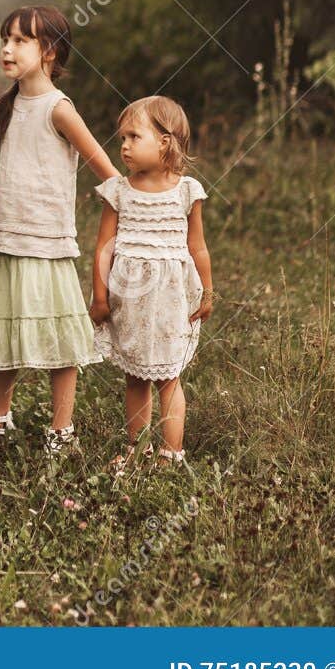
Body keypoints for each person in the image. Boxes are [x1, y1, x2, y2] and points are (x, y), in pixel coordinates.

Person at [0, 5, 116, 456]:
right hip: (6, 238)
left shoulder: (59, 108)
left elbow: (106, 172)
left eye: (20, 41)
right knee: (3, 333)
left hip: (46, 244)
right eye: (4, 40)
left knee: (59, 339)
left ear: (49, 51)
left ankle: (61, 432)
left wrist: (137, 218)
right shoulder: (8, 105)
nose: (7, 49)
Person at [88, 95, 214, 464]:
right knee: (136, 377)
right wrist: (99, 296)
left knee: (168, 377)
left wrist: (208, 292)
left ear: (164, 141)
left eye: (133, 137)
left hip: (171, 300)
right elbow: (103, 249)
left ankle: (171, 452)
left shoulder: (186, 191)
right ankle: (136, 447)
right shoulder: (119, 192)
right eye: (121, 138)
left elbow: (198, 247)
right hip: (130, 301)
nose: (124, 146)